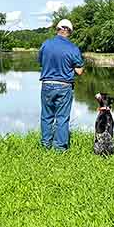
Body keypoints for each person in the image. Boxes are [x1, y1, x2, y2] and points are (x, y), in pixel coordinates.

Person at [37, 19, 84, 150]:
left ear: (57, 29)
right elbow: (79, 71)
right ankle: (60, 148)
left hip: (47, 84)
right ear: (69, 32)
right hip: (64, 86)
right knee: (62, 118)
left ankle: (45, 145)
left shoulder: (46, 44)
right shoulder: (73, 48)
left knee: (46, 116)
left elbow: (41, 62)